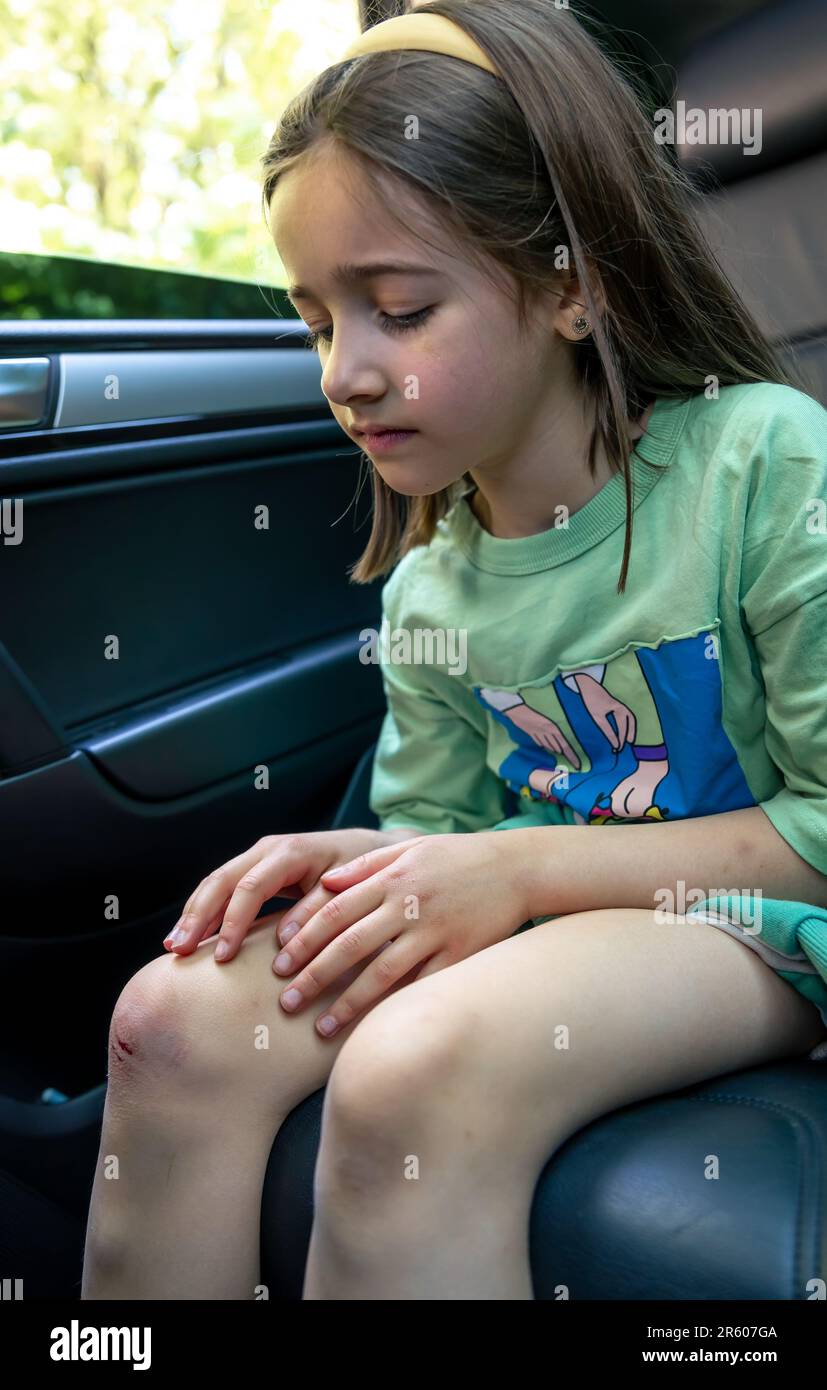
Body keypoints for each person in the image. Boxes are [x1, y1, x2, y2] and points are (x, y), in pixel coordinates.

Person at [81, 0, 827, 1302]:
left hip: (764, 925)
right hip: (555, 910)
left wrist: (508, 868)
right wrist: (360, 858)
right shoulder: (437, 579)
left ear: (570, 285)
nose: (343, 373)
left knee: (414, 1062)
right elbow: (443, 834)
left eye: (400, 310)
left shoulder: (765, 461)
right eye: (319, 321)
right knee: (170, 1022)